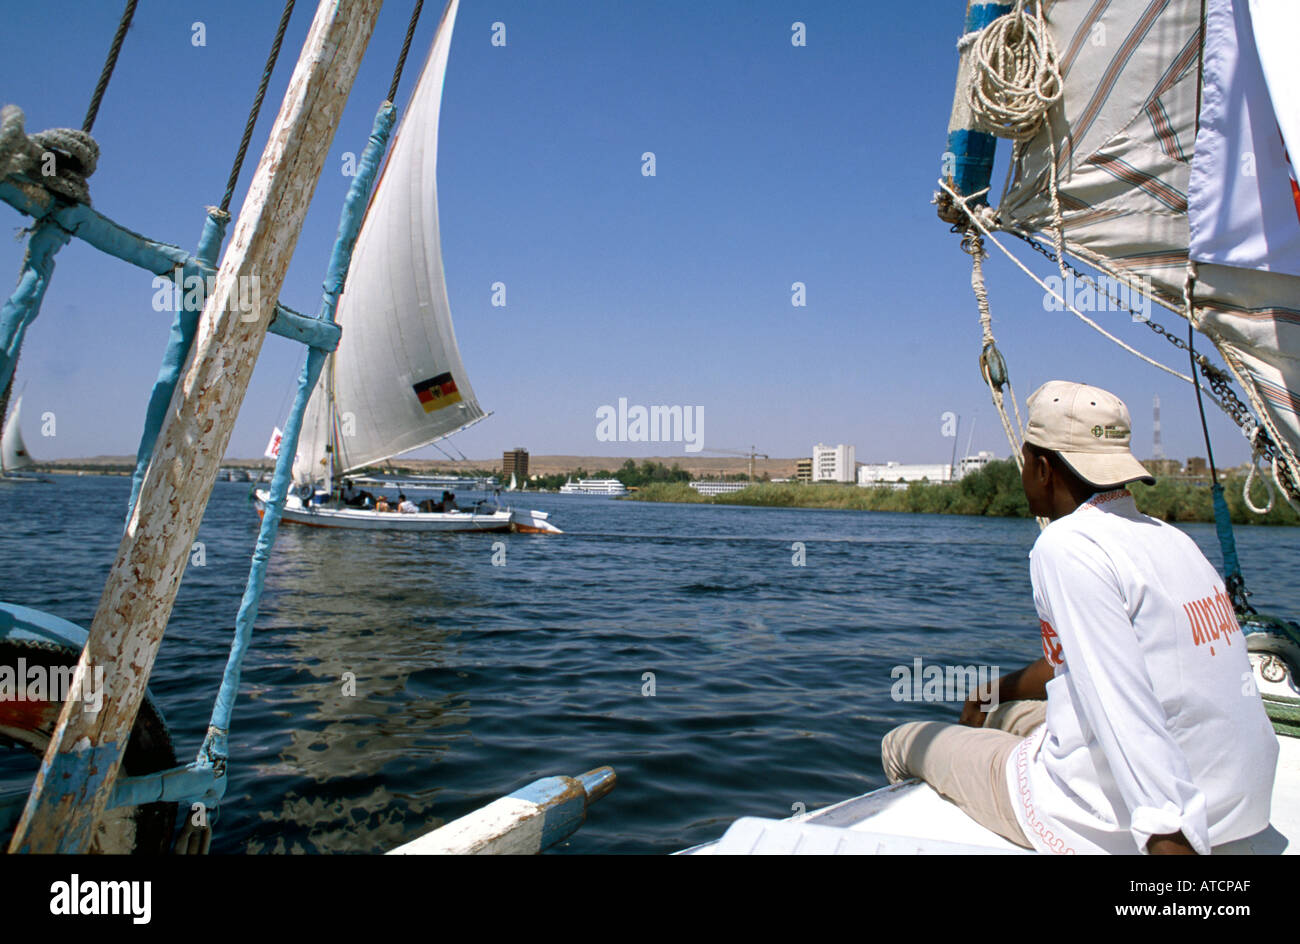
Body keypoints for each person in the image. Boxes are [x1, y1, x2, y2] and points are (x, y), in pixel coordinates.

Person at [880, 380, 1277, 855]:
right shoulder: (1172, 539)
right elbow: (1086, 660)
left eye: (1025, 461)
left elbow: (1120, 702)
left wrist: (1170, 839)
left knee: (902, 742)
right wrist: (992, 692)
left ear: (1042, 468)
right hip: (1239, 804)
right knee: (1002, 714)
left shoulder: (1067, 545)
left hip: (1126, 816)